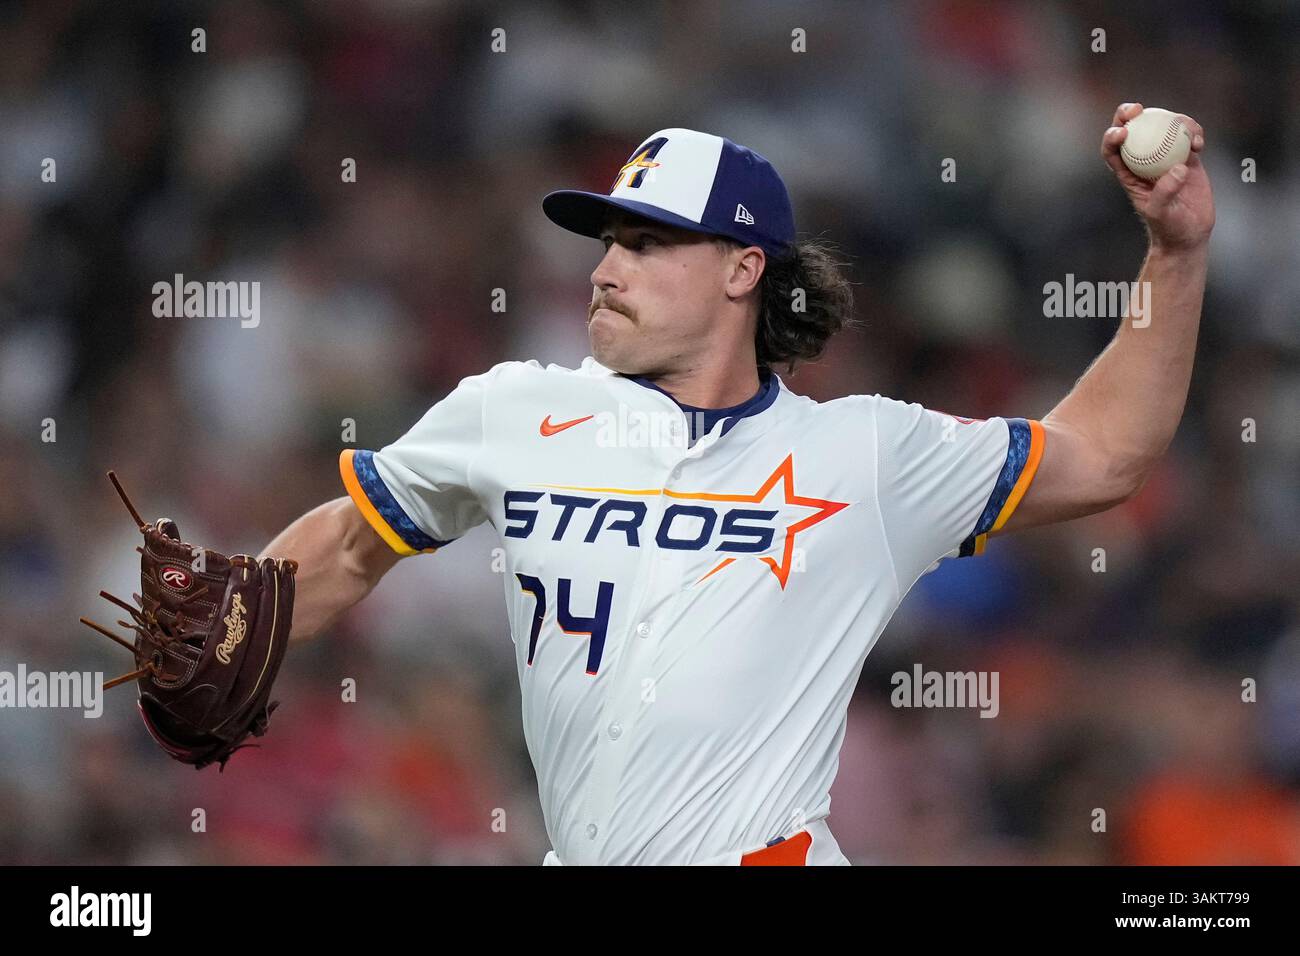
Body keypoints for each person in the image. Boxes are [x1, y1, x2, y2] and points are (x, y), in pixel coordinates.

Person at [261, 107, 1215, 865]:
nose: (603, 271)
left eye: (645, 244)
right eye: (605, 243)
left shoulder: (867, 455)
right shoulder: (515, 413)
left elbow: (1104, 455)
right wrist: (234, 629)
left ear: (743, 269)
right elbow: (349, 545)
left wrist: (1173, 254)